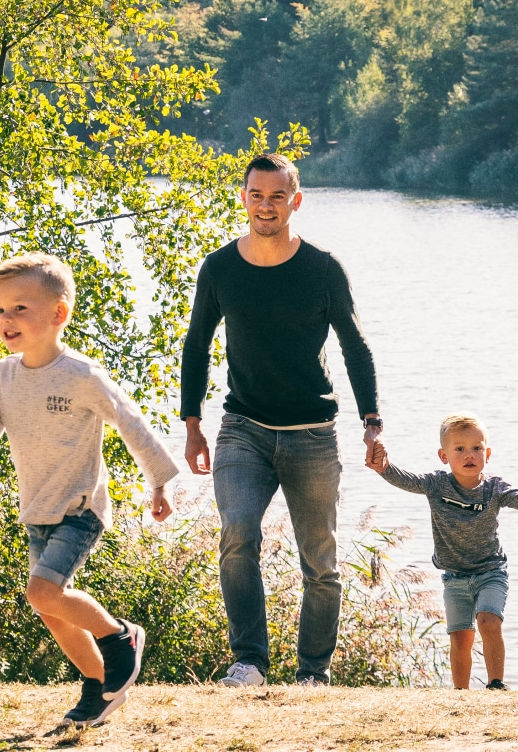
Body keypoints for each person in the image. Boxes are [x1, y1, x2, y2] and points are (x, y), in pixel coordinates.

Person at [0, 253, 181, 728]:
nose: (6, 320)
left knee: (41, 592)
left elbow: (130, 422)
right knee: (52, 609)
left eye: (20, 308)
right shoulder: (1, 376)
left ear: (59, 314)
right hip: (37, 508)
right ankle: (99, 686)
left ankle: (122, 637)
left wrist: (159, 479)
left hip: (81, 507)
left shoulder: (82, 375)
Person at [180, 151, 382, 687]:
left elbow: (356, 347)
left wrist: (371, 421)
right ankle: (250, 662)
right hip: (242, 429)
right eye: (256, 195)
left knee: (320, 562)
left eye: (276, 196)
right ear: (243, 198)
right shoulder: (220, 267)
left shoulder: (322, 268)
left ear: (295, 200)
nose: (265, 206)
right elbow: (196, 346)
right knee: (237, 534)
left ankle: (313, 673)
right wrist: (192, 423)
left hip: (312, 435)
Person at [369, 413, 518, 690]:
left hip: (491, 571)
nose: (469, 455)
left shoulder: (494, 488)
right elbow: (405, 480)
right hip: (454, 577)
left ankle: (495, 684)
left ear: (487, 453)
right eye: (460, 449)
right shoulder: (436, 485)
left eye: (476, 448)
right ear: (444, 456)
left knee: (489, 621)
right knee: (460, 638)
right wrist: (383, 467)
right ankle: (460, 694)